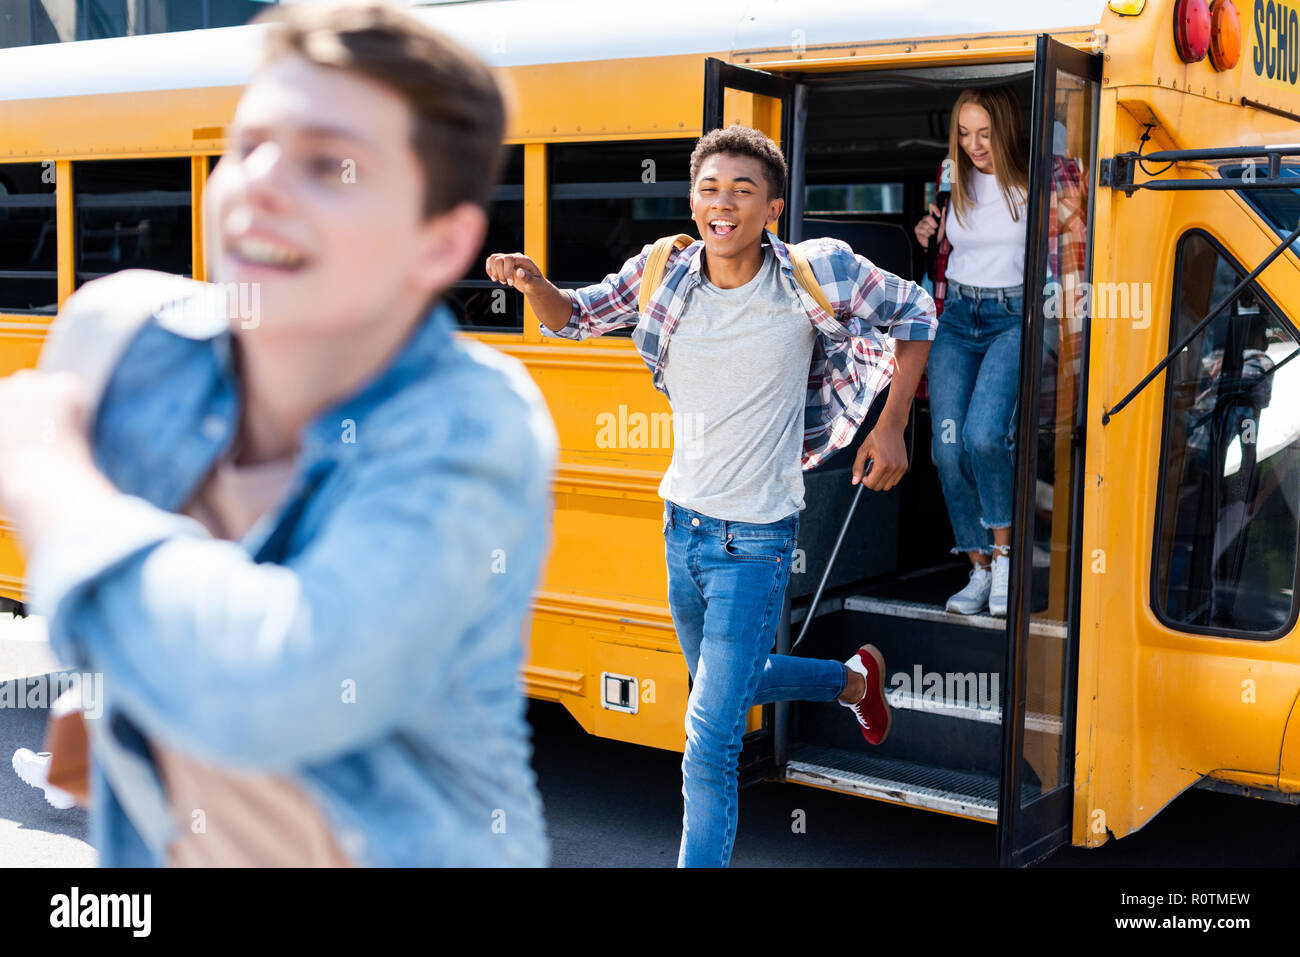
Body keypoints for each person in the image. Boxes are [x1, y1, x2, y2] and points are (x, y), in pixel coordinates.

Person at [0, 1, 557, 866]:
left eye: (329, 164)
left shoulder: (474, 423)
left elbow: (281, 684)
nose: (258, 180)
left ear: (441, 244)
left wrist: (50, 482)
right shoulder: (125, 343)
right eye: (247, 144)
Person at [487, 125, 936, 867]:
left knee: (708, 738)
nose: (722, 204)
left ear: (773, 208)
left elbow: (917, 312)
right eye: (708, 188)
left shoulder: (817, 272)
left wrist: (891, 429)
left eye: (742, 190)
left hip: (757, 539)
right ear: (693, 200)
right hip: (682, 528)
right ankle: (855, 681)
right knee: (735, 682)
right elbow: (577, 316)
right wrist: (535, 284)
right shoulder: (664, 267)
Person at [914, 86, 1029, 618]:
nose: (973, 144)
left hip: (1011, 318)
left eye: (984, 132)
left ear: (1003, 130)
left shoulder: (1035, 183)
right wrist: (926, 232)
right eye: (964, 132)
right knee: (946, 448)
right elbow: (941, 246)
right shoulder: (950, 177)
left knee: (985, 436)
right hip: (956, 318)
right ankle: (978, 568)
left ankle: (1006, 559)